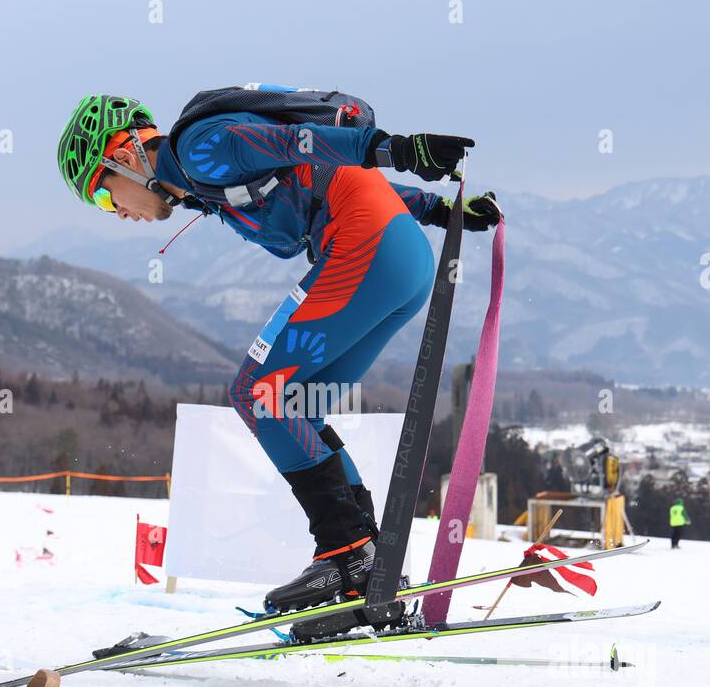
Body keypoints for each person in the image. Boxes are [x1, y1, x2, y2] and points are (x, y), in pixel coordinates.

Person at [57, 91, 500, 634]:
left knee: (257, 392)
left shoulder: (200, 149)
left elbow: (301, 142)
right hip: (399, 256)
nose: (119, 214)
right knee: (296, 406)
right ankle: (366, 566)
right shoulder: (200, 184)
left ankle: (346, 552)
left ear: (122, 157)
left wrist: (398, 150)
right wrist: (439, 209)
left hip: (367, 245)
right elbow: (314, 167)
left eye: (104, 199)